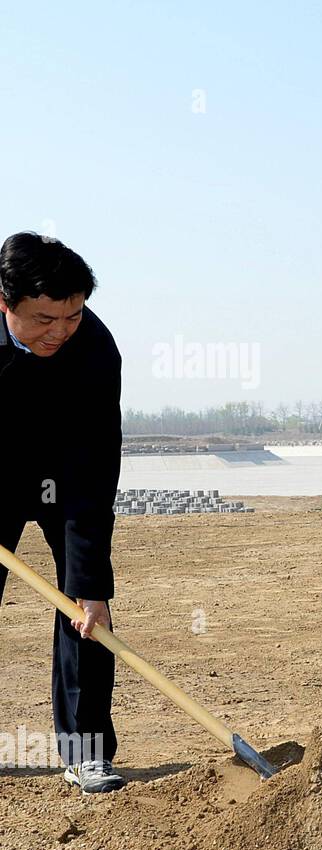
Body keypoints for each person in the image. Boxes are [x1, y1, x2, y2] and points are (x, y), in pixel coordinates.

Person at [0, 233, 125, 793]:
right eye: (44, 318)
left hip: (67, 477)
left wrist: (90, 581)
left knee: (85, 609)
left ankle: (86, 749)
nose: (60, 331)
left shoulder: (95, 349)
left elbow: (94, 472)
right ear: (6, 304)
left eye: (72, 315)